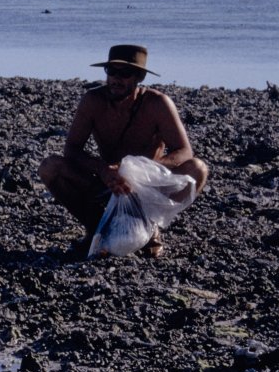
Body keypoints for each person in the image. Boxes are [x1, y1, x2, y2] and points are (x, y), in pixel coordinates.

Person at [40, 44, 209, 258]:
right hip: (108, 184)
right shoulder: (93, 101)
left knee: (198, 169)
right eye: (111, 71)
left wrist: (139, 170)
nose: (116, 79)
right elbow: (72, 149)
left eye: (125, 73)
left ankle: (152, 225)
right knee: (50, 168)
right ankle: (95, 227)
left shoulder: (157, 104)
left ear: (139, 77)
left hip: (148, 188)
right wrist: (104, 170)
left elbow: (184, 151)